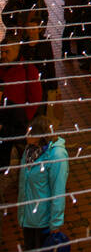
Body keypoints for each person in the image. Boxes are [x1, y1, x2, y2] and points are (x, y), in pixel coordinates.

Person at [18, 111, 68, 252]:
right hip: (28, 216)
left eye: (30, 133)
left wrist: (56, 222)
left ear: (41, 135)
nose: (26, 136)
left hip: (44, 218)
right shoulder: (29, 151)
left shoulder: (56, 155)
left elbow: (58, 190)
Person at [0, 33, 42, 171]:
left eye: (7, 52)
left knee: (24, 154)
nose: (3, 55)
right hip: (3, 123)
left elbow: (35, 98)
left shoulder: (28, 70)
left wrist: (25, 118)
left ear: (17, 52)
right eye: (1, 52)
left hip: (19, 123)